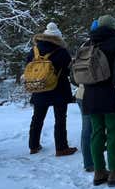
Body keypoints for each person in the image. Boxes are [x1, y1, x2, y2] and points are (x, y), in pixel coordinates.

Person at [83, 15, 115, 187]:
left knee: (96, 133)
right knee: (114, 133)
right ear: (114, 28)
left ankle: (99, 171)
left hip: (90, 96)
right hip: (110, 97)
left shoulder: (89, 44)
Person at [26, 22, 78, 157]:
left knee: (37, 118)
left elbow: (28, 66)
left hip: (39, 87)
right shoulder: (61, 51)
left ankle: (33, 145)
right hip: (58, 89)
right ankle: (61, 147)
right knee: (60, 119)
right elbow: (68, 70)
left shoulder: (34, 50)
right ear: (58, 37)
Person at [75, 20, 99, 172]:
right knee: (93, 129)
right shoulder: (100, 49)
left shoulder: (83, 48)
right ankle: (92, 163)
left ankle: (88, 162)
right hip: (94, 94)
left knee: (87, 129)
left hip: (81, 93)